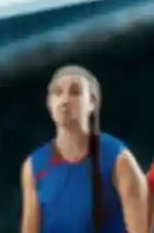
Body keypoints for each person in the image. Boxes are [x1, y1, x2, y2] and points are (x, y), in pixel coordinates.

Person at [18, 66, 149, 233]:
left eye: (75, 92)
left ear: (92, 102)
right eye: (58, 93)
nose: (64, 100)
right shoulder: (33, 166)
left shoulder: (119, 160)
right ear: (49, 103)